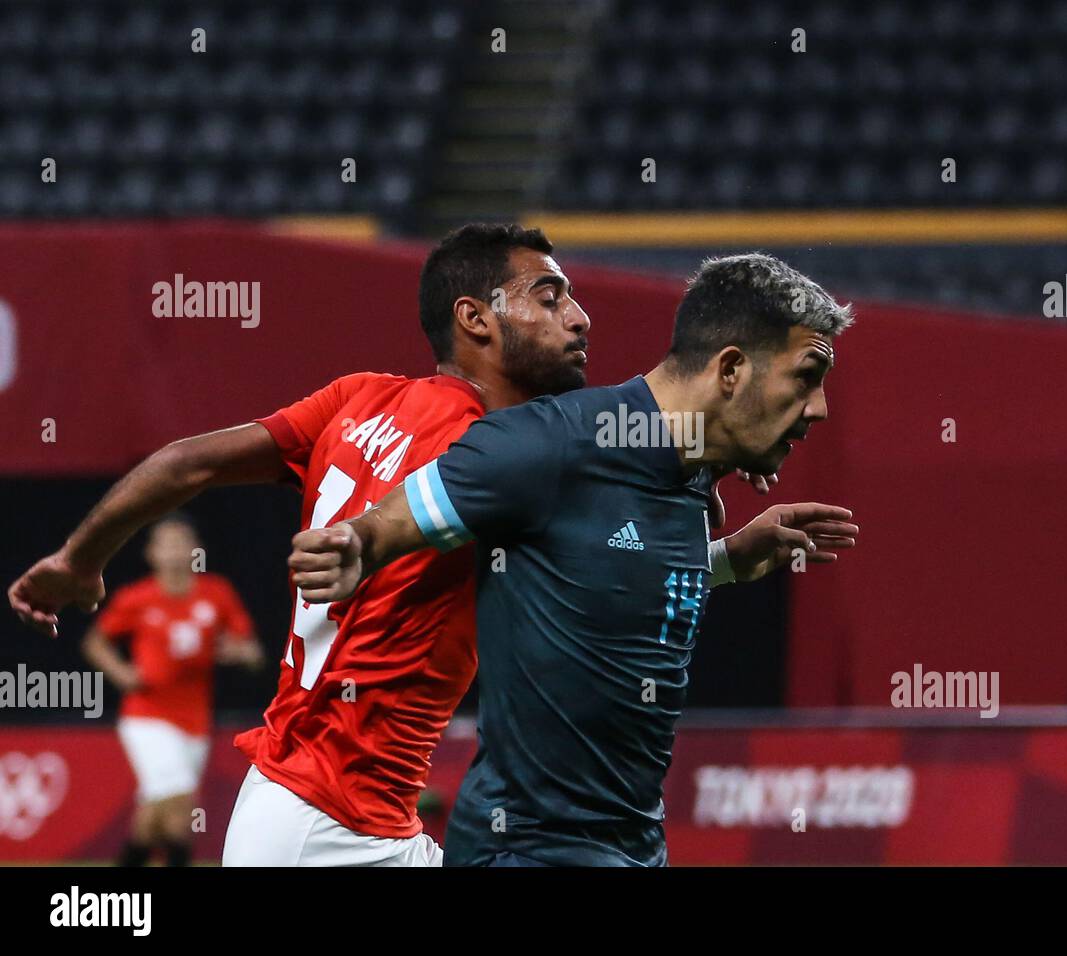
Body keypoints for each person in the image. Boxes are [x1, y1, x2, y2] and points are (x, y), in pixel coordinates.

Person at [288, 253, 859, 866]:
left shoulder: (690, 461)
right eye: (806, 375)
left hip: (634, 845)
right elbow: (397, 520)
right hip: (529, 848)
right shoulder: (554, 442)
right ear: (731, 369)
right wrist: (359, 544)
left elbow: (612, 562)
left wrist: (723, 561)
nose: (820, 406)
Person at [82, 514, 262, 867]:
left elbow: (254, 653)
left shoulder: (217, 594)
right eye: (167, 543)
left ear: (197, 550)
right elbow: (95, 642)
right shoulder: (137, 598)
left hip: (194, 721)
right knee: (180, 809)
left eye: (183, 542)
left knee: (155, 816)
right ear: (152, 553)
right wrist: (120, 672)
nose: (176, 551)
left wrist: (241, 652)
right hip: (146, 717)